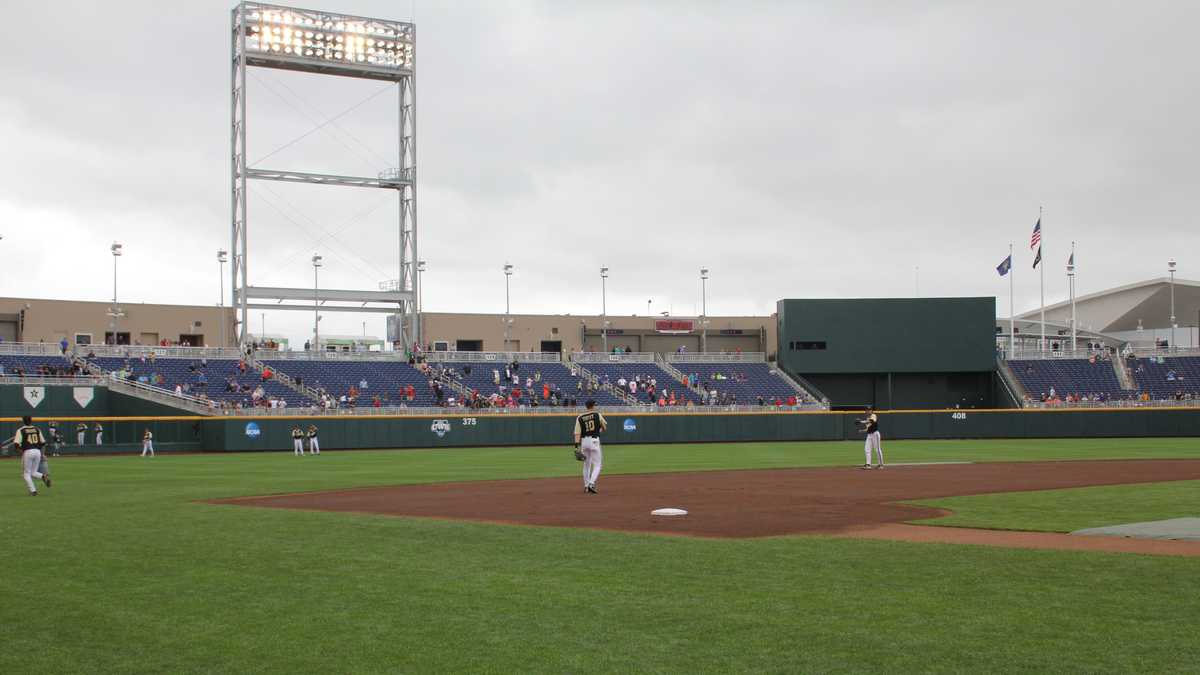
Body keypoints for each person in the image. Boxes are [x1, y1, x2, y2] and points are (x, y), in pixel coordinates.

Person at [573, 399, 607, 494]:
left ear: (586, 406)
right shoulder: (597, 414)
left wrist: (576, 447)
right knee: (597, 464)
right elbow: (604, 427)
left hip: (584, 442)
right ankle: (591, 484)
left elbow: (576, 433)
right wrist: (599, 429)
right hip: (594, 440)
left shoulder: (580, 417)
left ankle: (586, 486)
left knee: (586, 464)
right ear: (593, 406)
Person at [10, 416, 51, 496]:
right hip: (37, 451)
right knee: (33, 472)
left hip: (28, 451)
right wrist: (42, 454)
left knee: (26, 474)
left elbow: (16, 445)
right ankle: (43, 476)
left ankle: (33, 491)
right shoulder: (37, 429)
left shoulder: (21, 430)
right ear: (31, 421)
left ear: (23, 421)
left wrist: (22, 452)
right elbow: (43, 443)